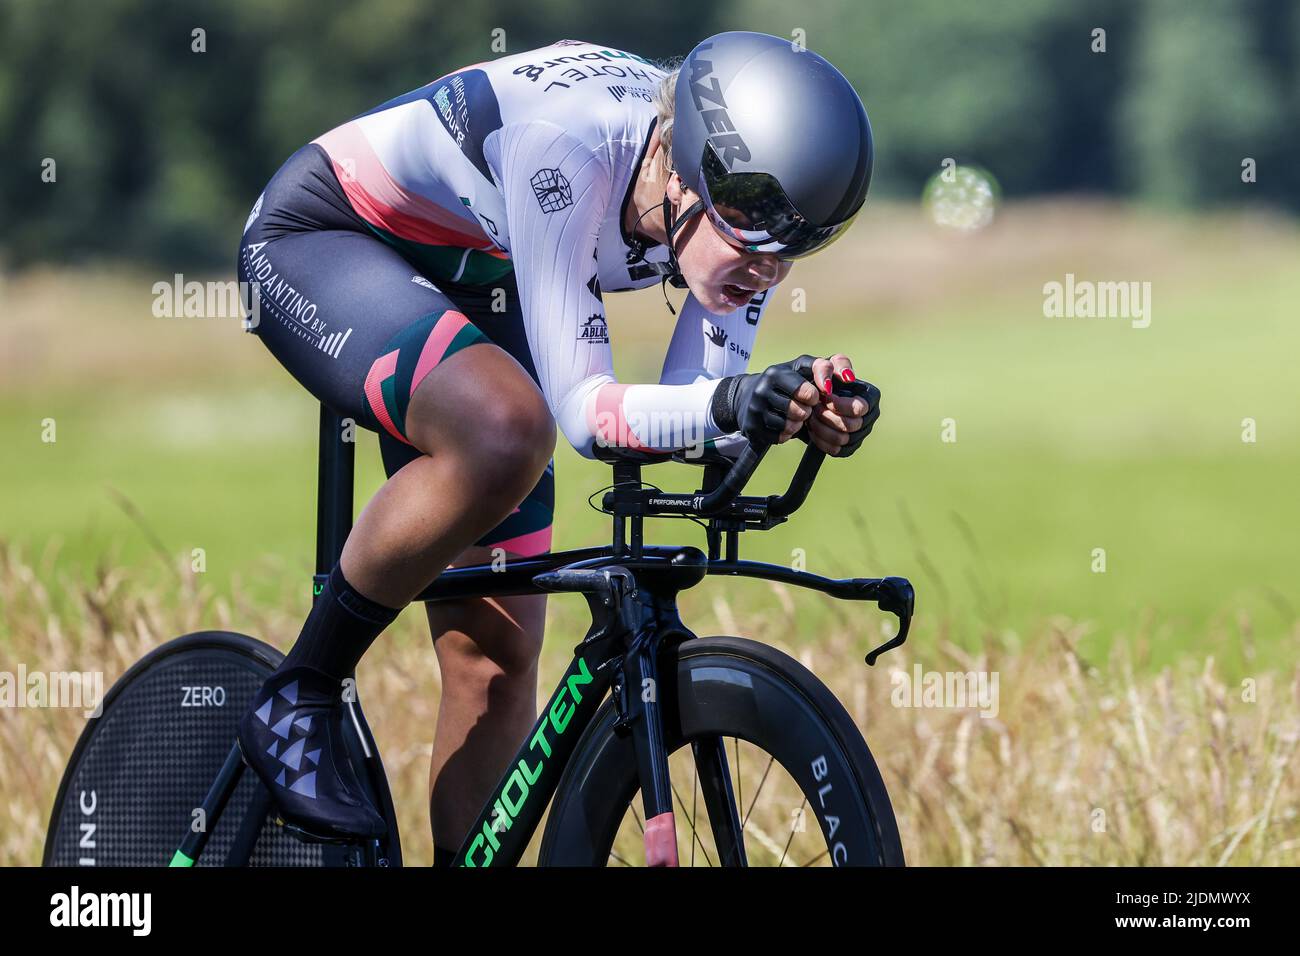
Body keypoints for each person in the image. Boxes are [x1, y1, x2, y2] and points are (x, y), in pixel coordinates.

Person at [234, 30, 881, 865]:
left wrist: (786, 410)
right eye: (756, 229)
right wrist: (730, 402)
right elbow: (585, 416)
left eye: (802, 244)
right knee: (508, 429)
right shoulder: (570, 147)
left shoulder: (733, 205)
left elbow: (697, 409)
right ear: (687, 169)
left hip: (484, 265)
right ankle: (301, 692)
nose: (772, 268)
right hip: (328, 236)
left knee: (497, 662)